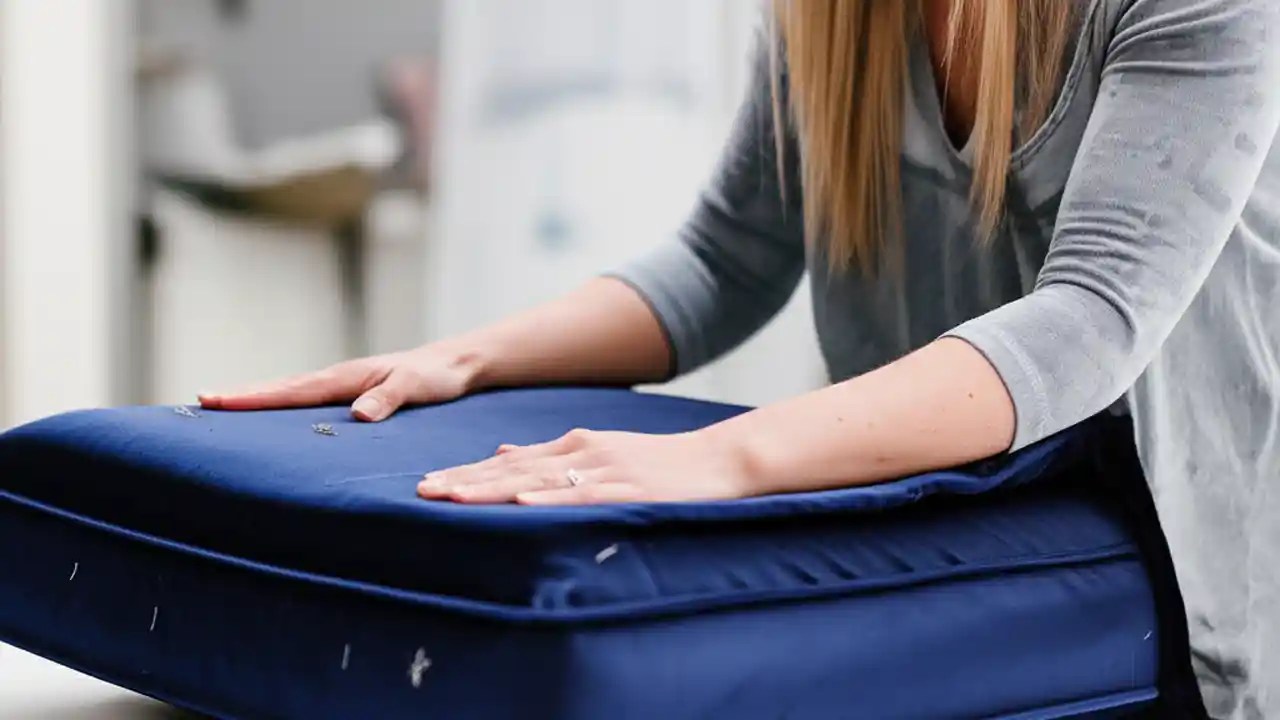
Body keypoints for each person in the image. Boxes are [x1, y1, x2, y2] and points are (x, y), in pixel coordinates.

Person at [200, 1, 1280, 716]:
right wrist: (467, 358)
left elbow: (1088, 320)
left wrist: (724, 457)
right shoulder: (829, 17)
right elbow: (726, 256)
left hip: (1183, 550)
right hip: (936, 521)